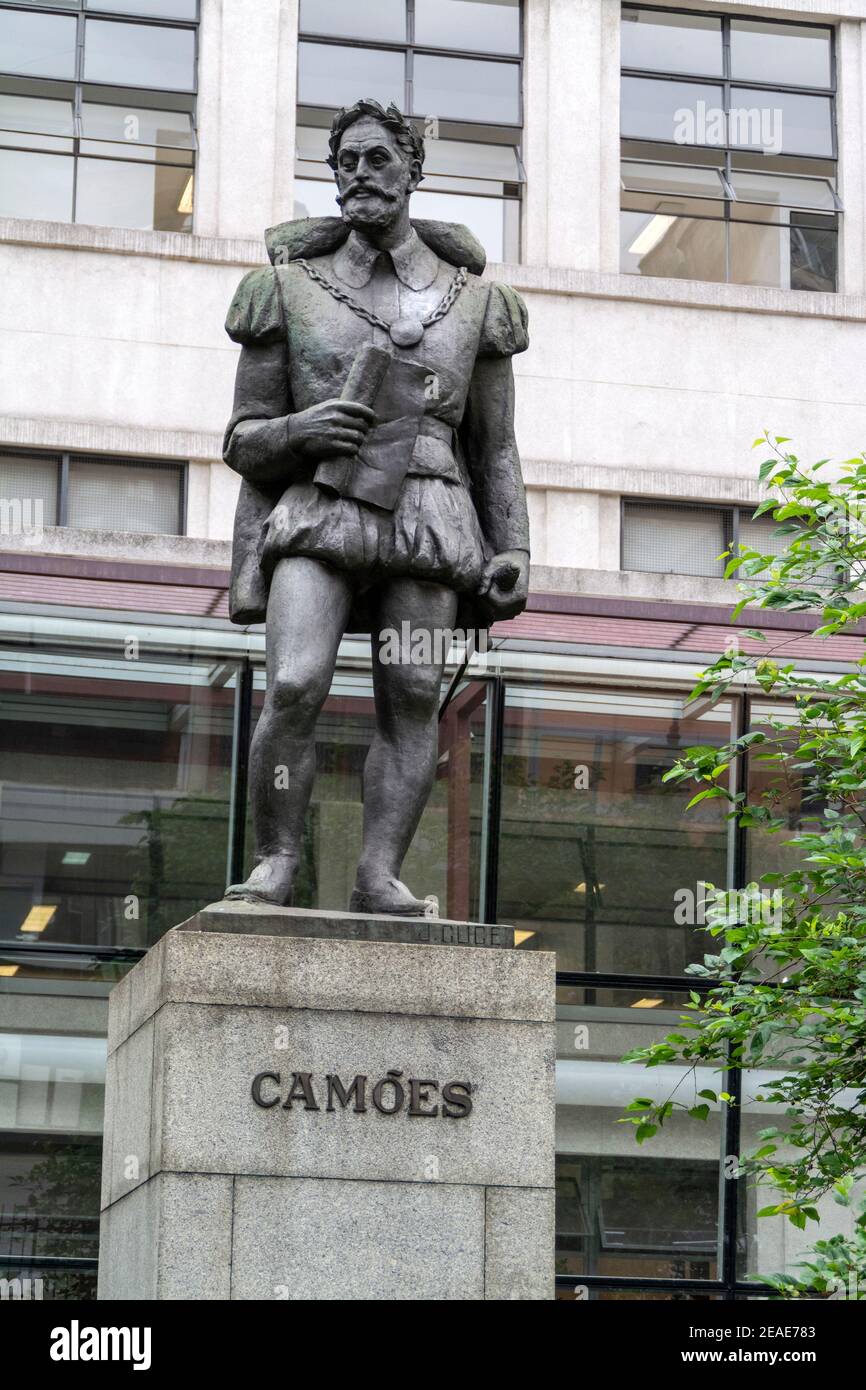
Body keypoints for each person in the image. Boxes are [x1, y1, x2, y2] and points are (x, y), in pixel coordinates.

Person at [222, 98, 529, 915]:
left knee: (412, 687)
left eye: (378, 159)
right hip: (321, 505)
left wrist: (516, 550)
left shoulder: (474, 303)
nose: (360, 173)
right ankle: (277, 858)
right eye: (346, 161)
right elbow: (242, 440)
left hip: (432, 515)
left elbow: (494, 447)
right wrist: (301, 425)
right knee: (294, 682)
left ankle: (378, 873)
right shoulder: (284, 289)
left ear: (413, 172)